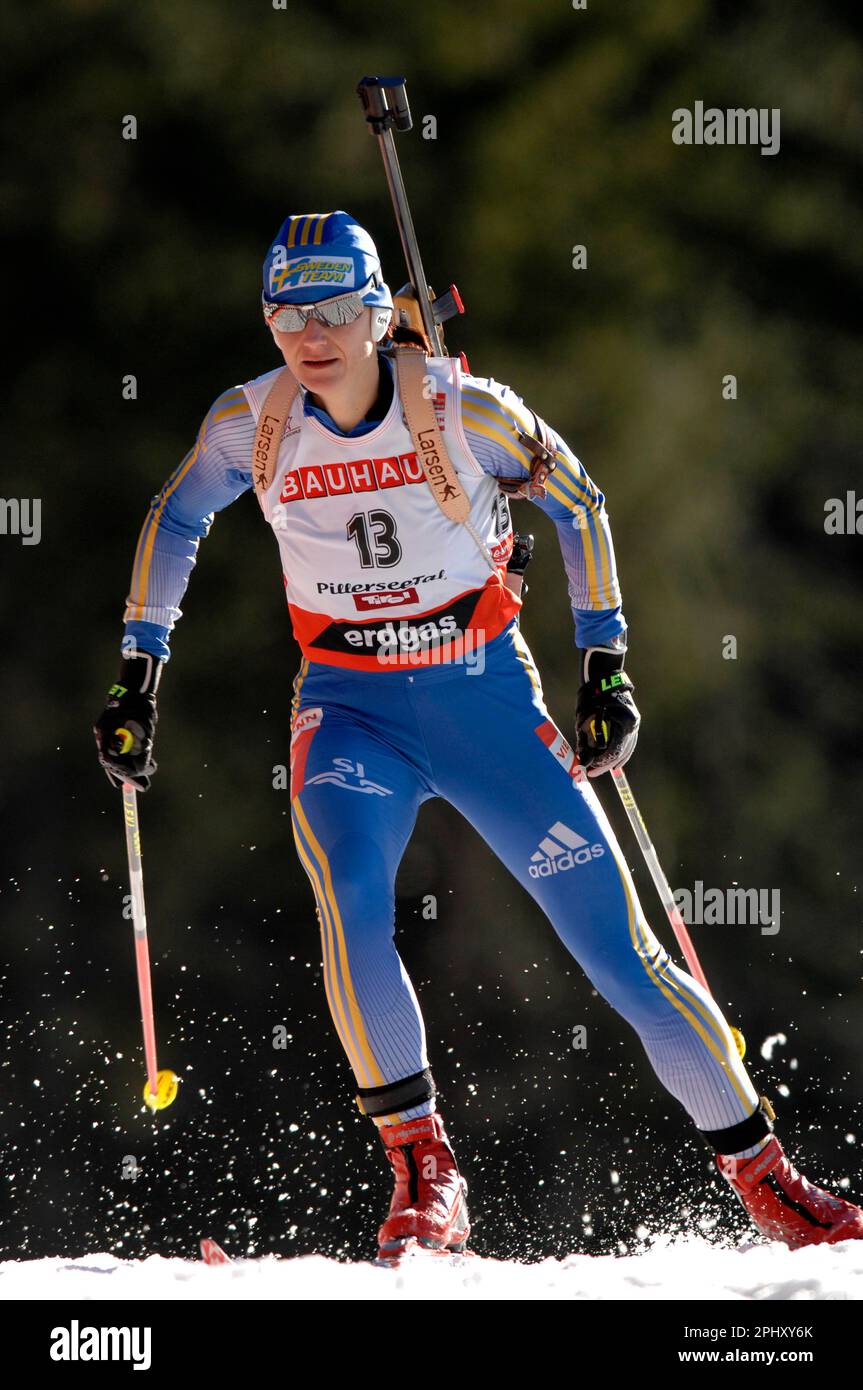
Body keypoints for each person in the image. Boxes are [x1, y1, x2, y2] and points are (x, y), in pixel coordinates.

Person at [95, 210, 862, 1260]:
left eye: (330, 311)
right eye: (285, 313)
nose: (308, 336)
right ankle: (423, 1168)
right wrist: (139, 675)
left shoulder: (458, 407)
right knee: (350, 894)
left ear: (375, 314)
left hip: (481, 697)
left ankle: (769, 1182)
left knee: (617, 950)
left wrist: (605, 665)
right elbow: (175, 516)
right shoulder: (252, 423)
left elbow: (577, 500)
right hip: (348, 706)